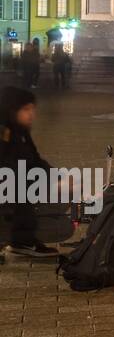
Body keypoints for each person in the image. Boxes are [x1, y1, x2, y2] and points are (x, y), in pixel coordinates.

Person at [0, 87, 59, 257]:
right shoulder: (3, 132)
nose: (32, 114)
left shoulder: (20, 131)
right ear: (11, 110)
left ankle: (21, 241)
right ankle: (20, 241)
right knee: (22, 189)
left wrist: (57, 177)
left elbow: (34, 159)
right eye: (26, 109)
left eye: (33, 109)